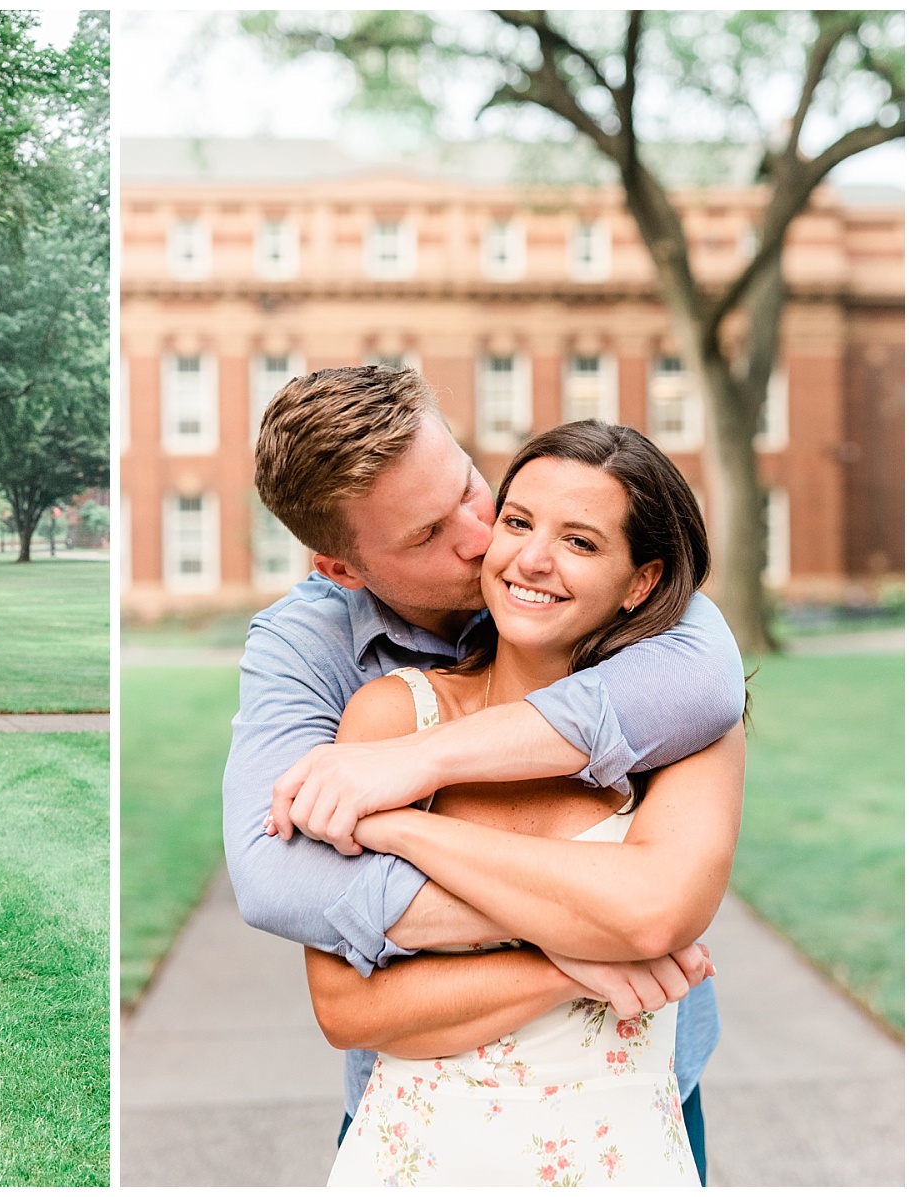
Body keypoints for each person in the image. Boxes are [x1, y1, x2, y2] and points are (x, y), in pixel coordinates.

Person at [225, 367, 746, 1180]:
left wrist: (403, 794)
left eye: (473, 488)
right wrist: (573, 945)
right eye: (428, 535)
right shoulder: (325, 663)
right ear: (345, 569)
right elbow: (276, 877)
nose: (484, 539)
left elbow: (712, 689)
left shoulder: (659, 646)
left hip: (636, 1114)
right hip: (416, 1128)